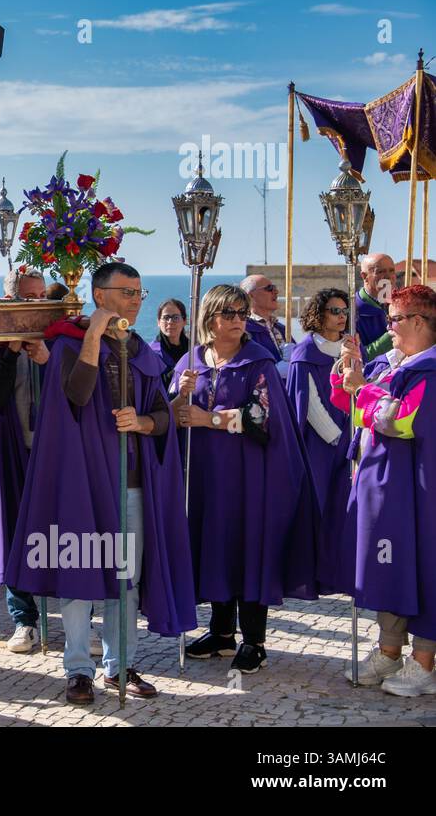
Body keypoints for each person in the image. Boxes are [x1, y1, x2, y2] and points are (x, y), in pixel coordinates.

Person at [5, 262, 196, 705]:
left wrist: (145, 421)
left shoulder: (142, 352)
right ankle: (77, 670)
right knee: (78, 576)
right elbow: (75, 394)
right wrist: (93, 334)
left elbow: (165, 416)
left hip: (130, 483)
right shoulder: (68, 345)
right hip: (81, 483)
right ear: (99, 294)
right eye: (127, 291)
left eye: (139, 292)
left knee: (125, 580)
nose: (135, 299)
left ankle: (119, 664)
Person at [174, 284, 317, 674]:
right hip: (205, 474)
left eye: (242, 313)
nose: (239, 320)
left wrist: (210, 419)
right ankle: (221, 633)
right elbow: (171, 414)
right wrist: (179, 398)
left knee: (249, 547)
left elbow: (263, 418)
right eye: (230, 314)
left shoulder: (259, 362)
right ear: (210, 318)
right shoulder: (190, 363)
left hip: (250, 474)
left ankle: (254, 640)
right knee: (216, 544)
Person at [330, 285, 436, 695]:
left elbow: (402, 421)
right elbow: (351, 405)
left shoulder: (428, 371)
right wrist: (349, 369)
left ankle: (424, 661)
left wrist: (365, 390)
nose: (387, 327)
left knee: (422, 565)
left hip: (418, 490)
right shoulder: (391, 365)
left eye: (394, 319)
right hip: (382, 484)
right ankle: (389, 650)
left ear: (418, 322)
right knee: (384, 565)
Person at [0, 265, 48, 652]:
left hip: (52, 452)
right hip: (12, 450)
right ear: (10, 300)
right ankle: (24, 619)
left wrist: (47, 360)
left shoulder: (58, 341)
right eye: (27, 297)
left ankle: (78, 618)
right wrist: (14, 351)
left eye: (40, 297)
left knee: (64, 530)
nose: (35, 304)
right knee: (14, 531)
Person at [286, 288, 353, 596]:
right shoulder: (305, 353)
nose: (341, 317)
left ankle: (342, 570)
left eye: (344, 312)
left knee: (345, 507)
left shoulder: (352, 349)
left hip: (352, 439)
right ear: (320, 313)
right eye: (335, 311)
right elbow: (307, 400)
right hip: (320, 446)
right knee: (320, 507)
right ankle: (316, 573)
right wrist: (338, 437)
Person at [240, 274, 290, 377]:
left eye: (274, 288)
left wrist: (298, 355)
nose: (276, 292)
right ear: (250, 295)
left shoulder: (282, 328)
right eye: (269, 288)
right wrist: (274, 372)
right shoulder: (243, 330)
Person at [356, 253, 395, 361]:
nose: (388, 276)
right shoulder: (351, 311)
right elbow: (356, 358)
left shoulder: (402, 303)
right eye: (380, 272)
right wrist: (390, 338)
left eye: (391, 270)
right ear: (364, 276)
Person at [150, 298, 189, 378]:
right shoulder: (150, 353)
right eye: (166, 317)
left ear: (184, 321)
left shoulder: (194, 350)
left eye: (176, 317)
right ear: (158, 322)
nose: (170, 322)